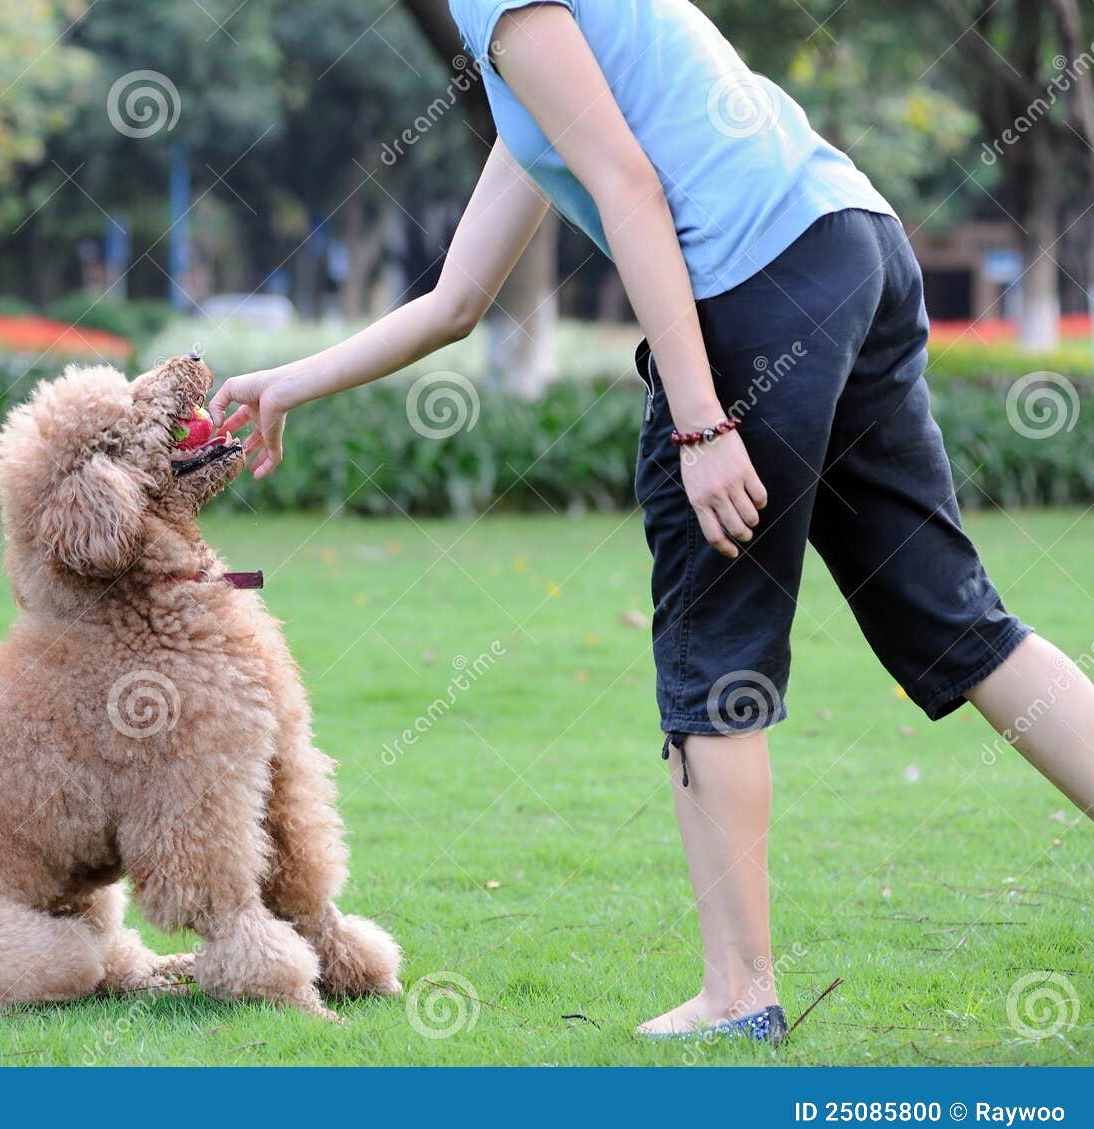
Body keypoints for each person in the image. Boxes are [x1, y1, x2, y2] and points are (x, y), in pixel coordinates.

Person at [208, 0, 1094, 1043]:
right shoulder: (535, 47)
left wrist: (701, 420)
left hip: (751, 289)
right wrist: (291, 385)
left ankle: (738, 994)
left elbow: (628, 183)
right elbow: (457, 297)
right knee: (951, 619)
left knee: (713, 639)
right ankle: (737, 989)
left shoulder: (506, 6)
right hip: (849, 243)